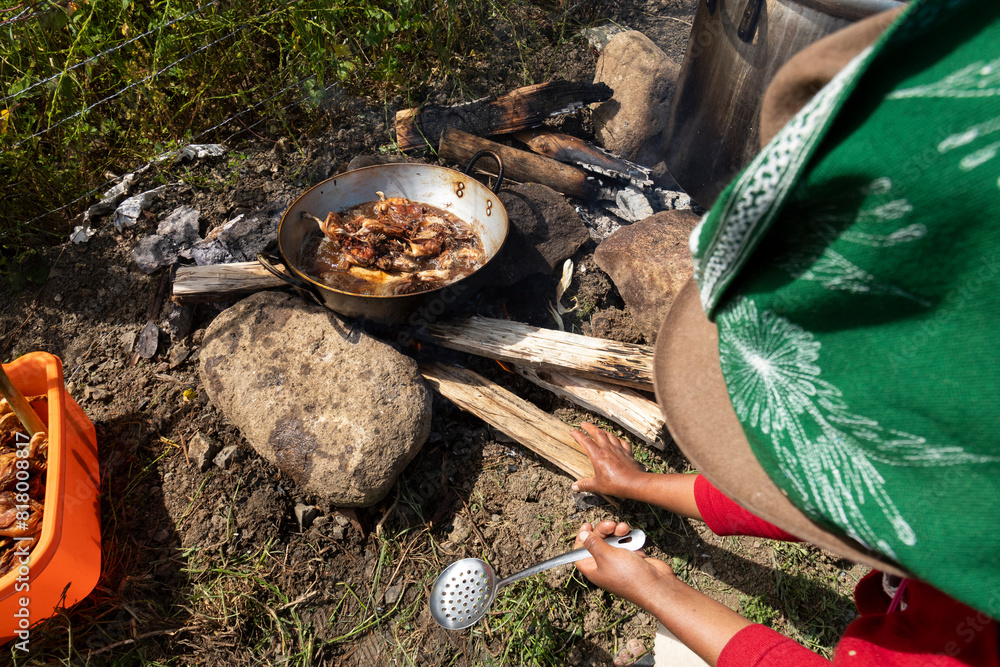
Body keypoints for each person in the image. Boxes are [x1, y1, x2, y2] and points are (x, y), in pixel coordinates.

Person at [567, 0, 1000, 665]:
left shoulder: (964, 635)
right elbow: (830, 483)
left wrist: (659, 589)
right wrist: (640, 485)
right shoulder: (956, 471)